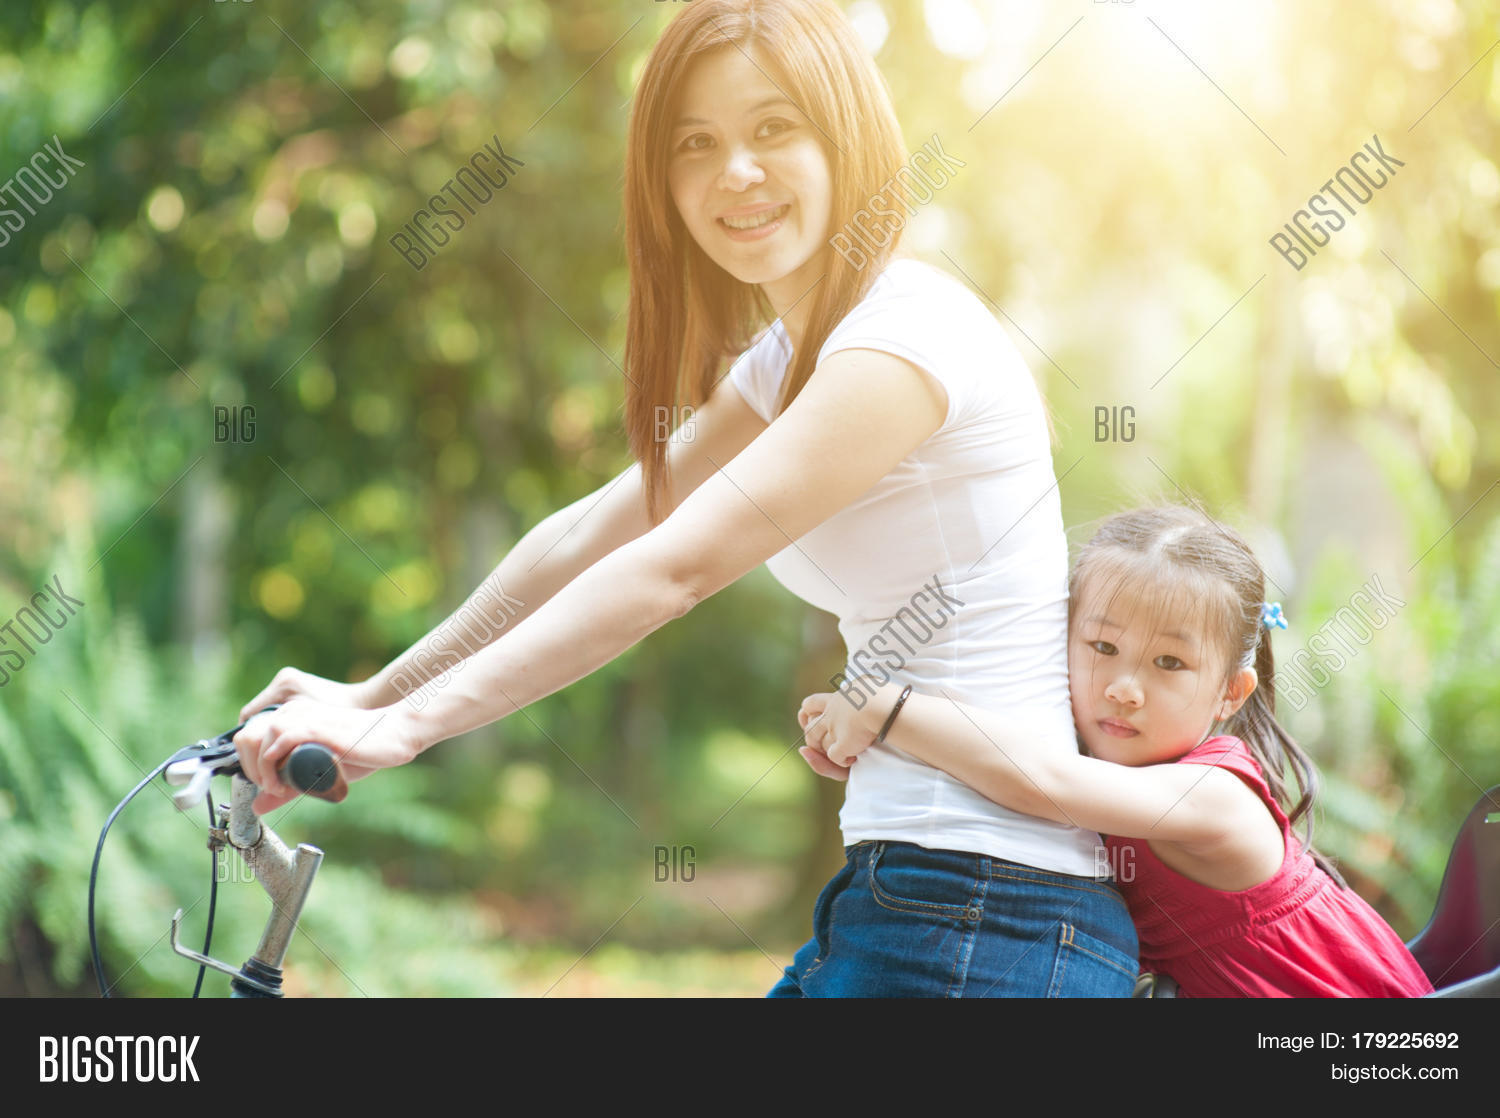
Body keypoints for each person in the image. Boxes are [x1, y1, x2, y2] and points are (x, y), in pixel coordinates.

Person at [232, 0, 1137, 997]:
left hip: (988, 907)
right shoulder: (788, 360)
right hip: (914, 891)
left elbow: (676, 568)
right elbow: (591, 532)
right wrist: (374, 695)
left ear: (848, 135)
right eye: (694, 143)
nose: (733, 171)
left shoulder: (908, 337)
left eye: (772, 129)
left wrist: (408, 730)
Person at [799, 505, 1435, 997]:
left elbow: (1045, 781)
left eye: (1169, 663)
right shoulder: (1114, 766)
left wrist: (887, 710)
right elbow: (1012, 762)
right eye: (1103, 648)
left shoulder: (1216, 798)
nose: (1126, 688)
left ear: (1229, 693)